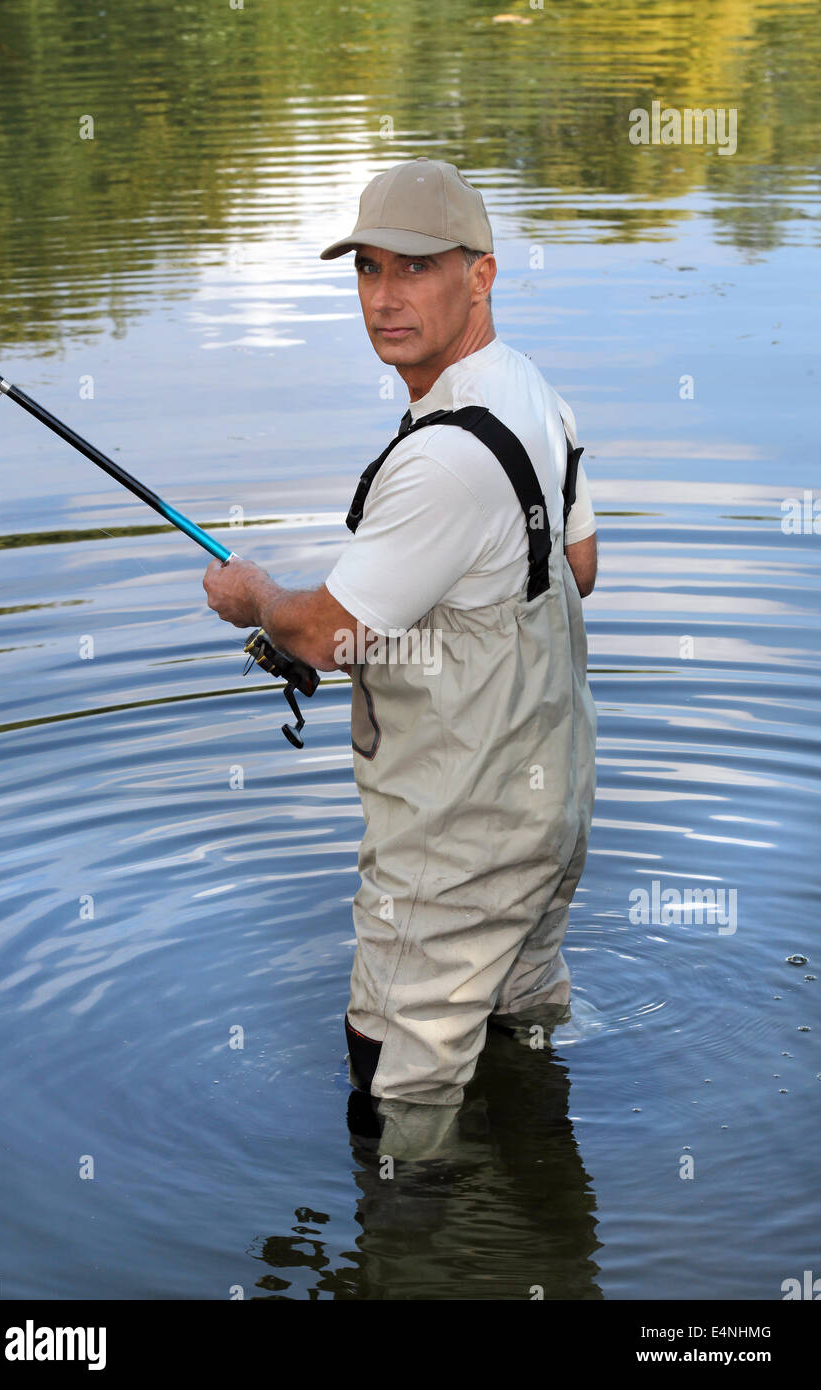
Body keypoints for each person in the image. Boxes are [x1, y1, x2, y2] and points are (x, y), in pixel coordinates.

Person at [203, 157, 597, 1110]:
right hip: (550, 816)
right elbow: (574, 573)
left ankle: (414, 1258)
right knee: (518, 1039)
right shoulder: (535, 395)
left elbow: (331, 637)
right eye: (369, 269)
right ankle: (537, 1223)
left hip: (455, 848)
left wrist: (258, 600)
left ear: (482, 275)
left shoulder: (442, 460)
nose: (385, 298)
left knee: (393, 1080)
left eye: (416, 268)